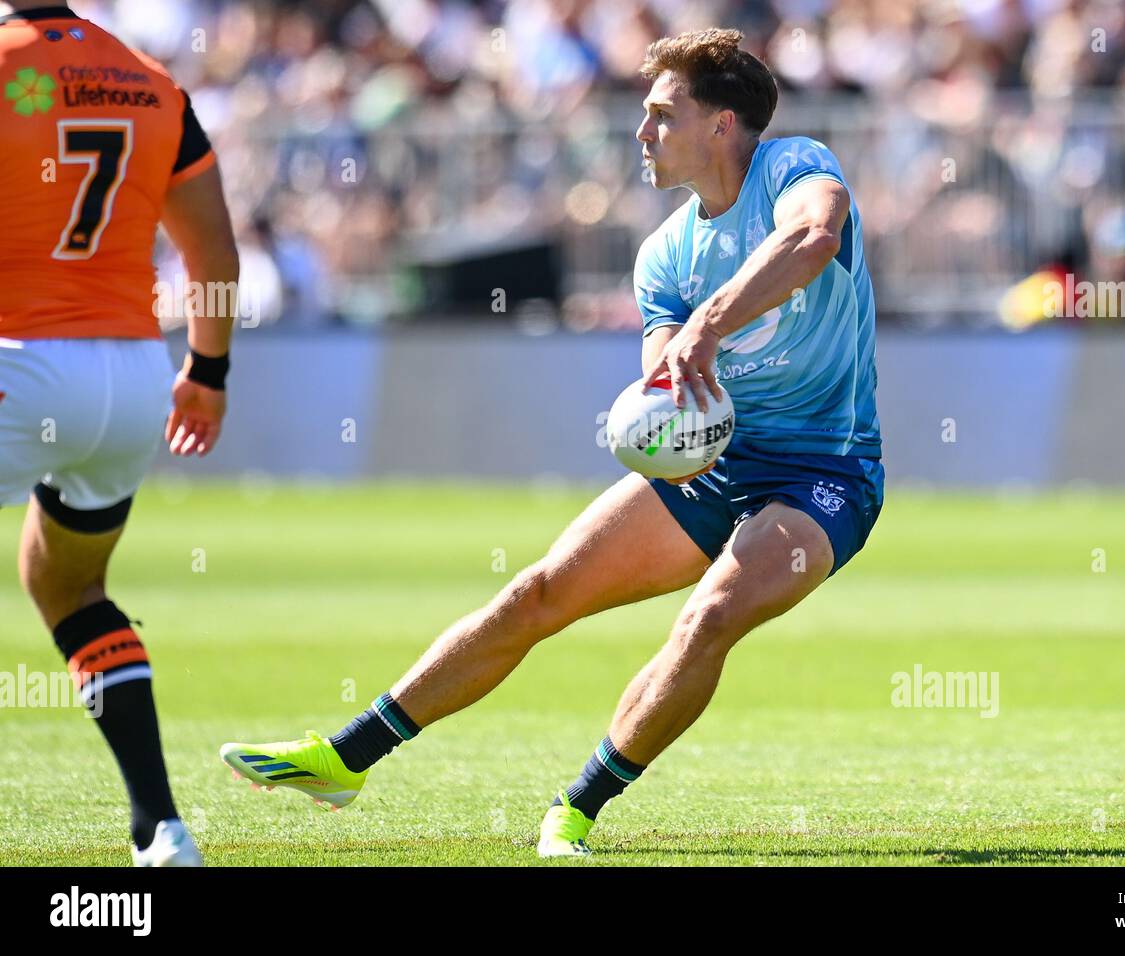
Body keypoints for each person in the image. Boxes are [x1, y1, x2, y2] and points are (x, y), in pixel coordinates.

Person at [221, 27, 883, 858]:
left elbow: (814, 239)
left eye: (661, 114)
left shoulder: (792, 167)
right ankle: (345, 758)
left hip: (825, 474)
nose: (642, 132)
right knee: (537, 593)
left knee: (710, 614)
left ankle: (576, 808)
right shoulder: (665, 254)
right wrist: (666, 421)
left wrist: (711, 327)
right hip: (716, 470)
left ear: (722, 124)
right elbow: (664, 378)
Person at [0, 2, 238, 866]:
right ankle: (161, 829)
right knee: (70, 589)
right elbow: (212, 251)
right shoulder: (152, 79)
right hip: (131, 377)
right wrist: (206, 374)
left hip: (18, 358)